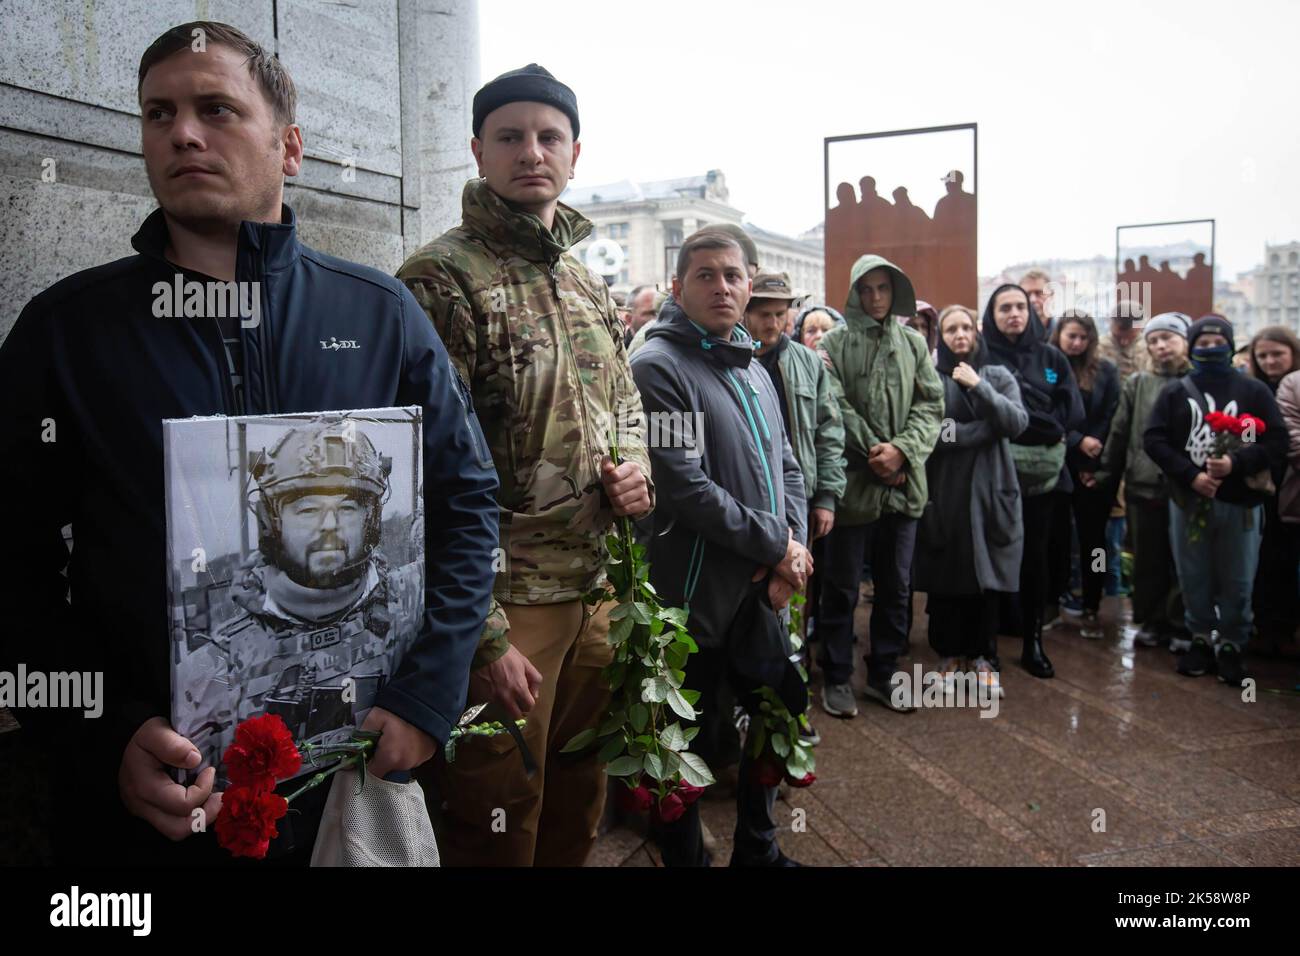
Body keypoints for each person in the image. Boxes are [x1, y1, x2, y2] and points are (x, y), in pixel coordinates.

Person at [0, 21, 499, 865]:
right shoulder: (68, 330)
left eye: (216, 109)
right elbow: (10, 559)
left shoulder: (380, 316)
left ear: (290, 146)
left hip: (346, 780)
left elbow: (468, 505)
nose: (183, 133)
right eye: (158, 114)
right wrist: (104, 730)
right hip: (149, 804)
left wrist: (430, 693)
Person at [397, 64, 654, 866]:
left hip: (596, 593)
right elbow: (418, 468)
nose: (531, 152)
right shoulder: (442, 278)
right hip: (508, 605)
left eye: (549, 136)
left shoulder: (582, 278)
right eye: (510, 136)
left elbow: (626, 406)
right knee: (494, 812)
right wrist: (479, 634)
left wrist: (636, 470)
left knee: (581, 797)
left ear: (576, 153)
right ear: (479, 150)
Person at [631, 229, 811, 867]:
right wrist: (777, 543)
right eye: (704, 275)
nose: (721, 287)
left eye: (732, 275)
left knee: (774, 715)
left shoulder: (755, 367)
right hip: (691, 597)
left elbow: (788, 465)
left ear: (750, 282)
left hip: (761, 586)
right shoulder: (660, 366)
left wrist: (795, 546)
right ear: (679, 287)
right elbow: (684, 486)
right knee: (679, 742)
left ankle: (758, 851)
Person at [177, 418, 425, 784]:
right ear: (271, 522)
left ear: (371, 518)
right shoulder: (212, 670)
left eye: (347, 507)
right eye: (307, 509)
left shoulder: (414, 599)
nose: (329, 525)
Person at [817, 255, 944, 715]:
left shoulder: (912, 343)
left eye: (883, 289)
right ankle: (835, 675)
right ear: (854, 292)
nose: (874, 298)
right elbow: (834, 405)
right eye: (866, 289)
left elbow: (931, 404)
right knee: (842, 586)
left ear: (895, 293)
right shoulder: (833, 342)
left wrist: (904, 451)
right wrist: (878, 453)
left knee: (896, 587)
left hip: (905, 486)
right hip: (854, 486)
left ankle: (885, 672)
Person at [1144, 316, 1289, 686]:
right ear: (1192, 347)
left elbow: (1275, 442)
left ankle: (1232, 643)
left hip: (1241, 504)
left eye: (1217, 341)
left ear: (1229, 342)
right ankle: (1198, 637)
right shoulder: (1175, 392)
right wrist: (1191, 475)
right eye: (1202, 342)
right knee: (1193, 575)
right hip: (1188, 501)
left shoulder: (1253, 391)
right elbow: (1155, 439)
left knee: (1238, 578)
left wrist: (1236, 463)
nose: (1210, 348)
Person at [743, 271, 846, 735]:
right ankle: (746, 709)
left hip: (796, 502)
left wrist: (825, 496)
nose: (771, 323)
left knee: (793, 601)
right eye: (763, 313)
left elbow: (829, 430)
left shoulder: (808, 362)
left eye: (779, 313)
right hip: (744, 509)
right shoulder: (732, 359)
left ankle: (790, 710)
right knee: (748, 605)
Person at [914, 305, 1028, 699]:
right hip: (946, 491)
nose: (959, 335)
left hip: (990, 492)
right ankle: (948, 655)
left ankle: (983, 656)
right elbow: (933, 432)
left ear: (976, 333)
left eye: (966, 328)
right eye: (950, 329)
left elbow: (1015, 423)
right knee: (946, 576)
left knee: (986, 577)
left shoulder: (995, 376)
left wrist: (978, 387)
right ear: (941, 337)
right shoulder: (932, 376)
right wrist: (983, 431)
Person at [981, 284, 1086, 679]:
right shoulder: (982, 355)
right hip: (995, 472)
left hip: (1045, 478)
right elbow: (984, 411)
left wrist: (1027, 424)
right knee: (994, 552)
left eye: (1020, 307)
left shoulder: (1051, 356)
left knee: (1036, 557)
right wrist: (1030, 424)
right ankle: (987, 643)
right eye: (1004, 307)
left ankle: (1032, 642)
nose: (1014, 314)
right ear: (992, 314)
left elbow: (1070, 413)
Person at [1095, 313, 1194, 650]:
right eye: (1153, 340)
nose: (1160, 346)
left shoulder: (1196, 382)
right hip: (1143, 483)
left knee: (1184, 558)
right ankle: (1152, 620)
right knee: (1148, 559)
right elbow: (1120, 433)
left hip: (1187, 487)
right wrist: (1106, 475)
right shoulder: (1138, 383)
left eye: (1168, 338)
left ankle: (1183, 622)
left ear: (1185, 341)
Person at [1051, 312, 1120, 639]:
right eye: (1071, 336)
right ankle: (1058, 594)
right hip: (1060, 462)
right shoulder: (1050, 367)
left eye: (1082, 337)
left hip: (1094, 467)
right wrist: (1077, 441)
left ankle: (1092, 600)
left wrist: (1094, 461)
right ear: (1059, 335)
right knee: (1059, 537)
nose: (1076, 343)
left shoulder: (1105, 370)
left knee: (1095, 541)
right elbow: (1047, 411)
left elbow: (1111, 413)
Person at [1245, 326, 1300, 658]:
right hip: (1265, 487)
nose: (1269, 361)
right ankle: (1267, 627)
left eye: (1277, 353)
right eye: (1262, 355)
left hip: (1292, 489)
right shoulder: (1253, 389)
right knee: (1267, 560)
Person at [1098, 300, 1150, 379]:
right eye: (1117, 337)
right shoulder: (1097, 346)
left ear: (1141, 327)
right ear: (1110, 323)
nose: (1124, 342)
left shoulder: (1151, 347)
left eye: (1131, 338)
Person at [1019, 268, 1055, 334]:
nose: (1032, 299)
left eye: (1039, 293)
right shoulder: (1011, 336)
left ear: (1052, 296)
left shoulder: (1064, 333)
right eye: (1027, 294)